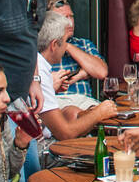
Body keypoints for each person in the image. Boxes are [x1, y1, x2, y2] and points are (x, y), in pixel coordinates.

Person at [35, 12, 120, 142]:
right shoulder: (40, 71)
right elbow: (65, 133)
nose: (66, 47)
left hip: (45, 140)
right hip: (44, 148)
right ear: (53, 45)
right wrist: (99, 113)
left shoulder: (37, 64)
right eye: (64, 42)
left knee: (71, 111)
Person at [45, 0, 108, 104]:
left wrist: (67, 46)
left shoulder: (83, 44)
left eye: (71, 16)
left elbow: (102, 72)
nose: (70, 22)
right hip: (57, 105)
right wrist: (84, 71)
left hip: (85, 104)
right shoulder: (43, 47)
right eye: (64, 18)